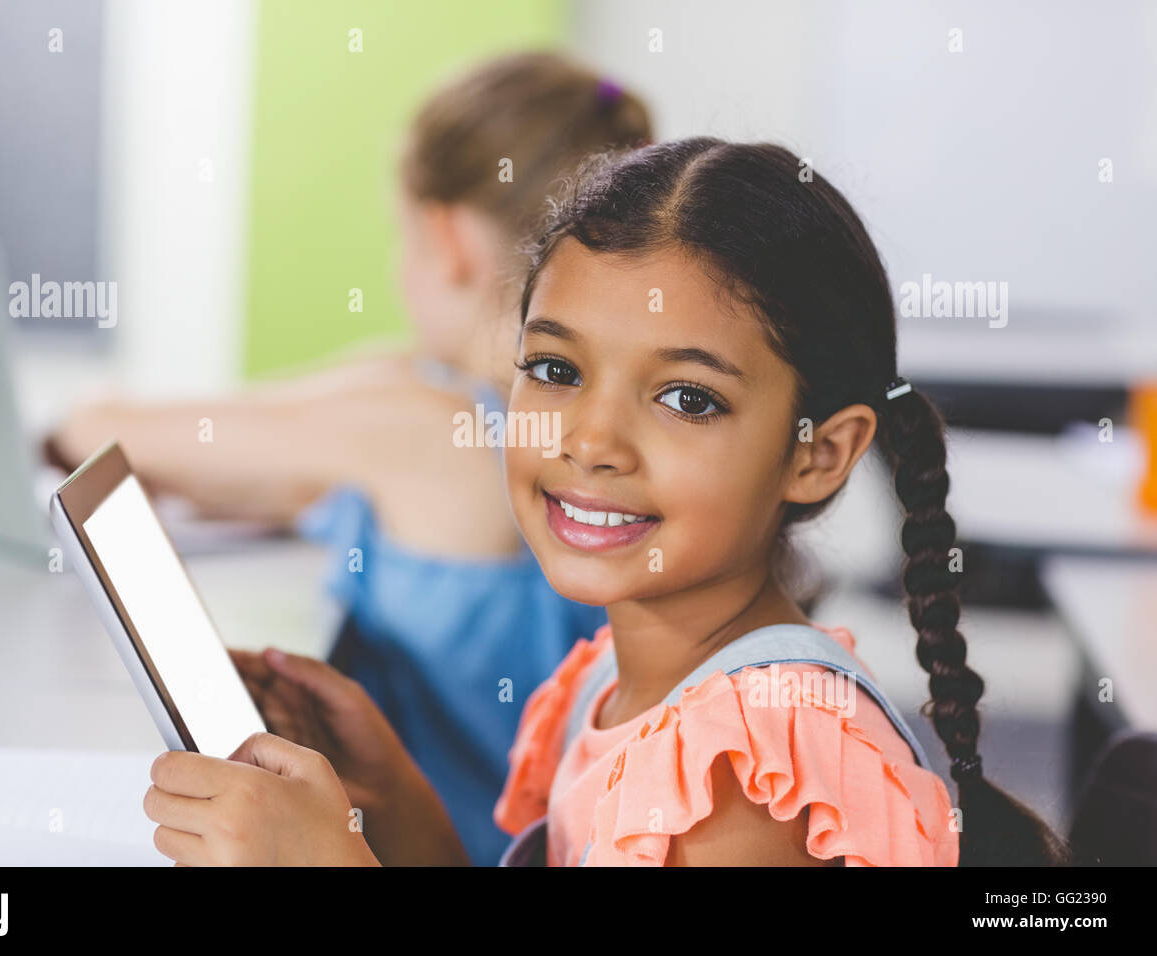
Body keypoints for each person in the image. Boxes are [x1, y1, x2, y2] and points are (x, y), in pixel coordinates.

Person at [142, 138, 1068, 866]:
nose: (589, 440)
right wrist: (389, 800)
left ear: (819, 454)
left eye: (687, 399)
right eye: (555, 369)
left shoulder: (744, 774)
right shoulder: (621, 681)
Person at [48, 52, 653, 865]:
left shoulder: (429, 421)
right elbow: (272, 473)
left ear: (445, 239)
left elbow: (100, 431)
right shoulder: (542, 423)